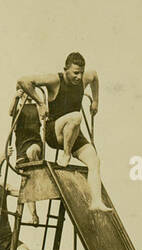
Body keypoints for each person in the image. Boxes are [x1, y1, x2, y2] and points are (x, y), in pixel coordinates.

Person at [17, 52, 111, 211]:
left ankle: (96, 202)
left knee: (94, 160)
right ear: (65, 69)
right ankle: (66, 154)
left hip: (73, 133)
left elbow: (94, 76)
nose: (79, 76)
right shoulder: (55, 80)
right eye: (75, 72)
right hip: (54, 132)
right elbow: (23, 81)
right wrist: (41, 103)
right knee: (76, 116)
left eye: (81, 72)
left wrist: (95, 101)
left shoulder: (83, 79)